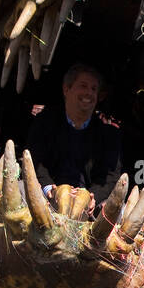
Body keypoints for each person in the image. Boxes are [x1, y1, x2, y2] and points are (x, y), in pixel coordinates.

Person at [25, 64, 123, 209]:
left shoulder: (108, 136)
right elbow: (34, 160)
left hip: (87, 205)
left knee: (119, 209)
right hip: (46, 198)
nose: (89, 93)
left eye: (93, 89)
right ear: (66, 89)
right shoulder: (44, 123)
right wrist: (47, 188)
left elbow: (110, 176)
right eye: (83, 86)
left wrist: (92, 197)